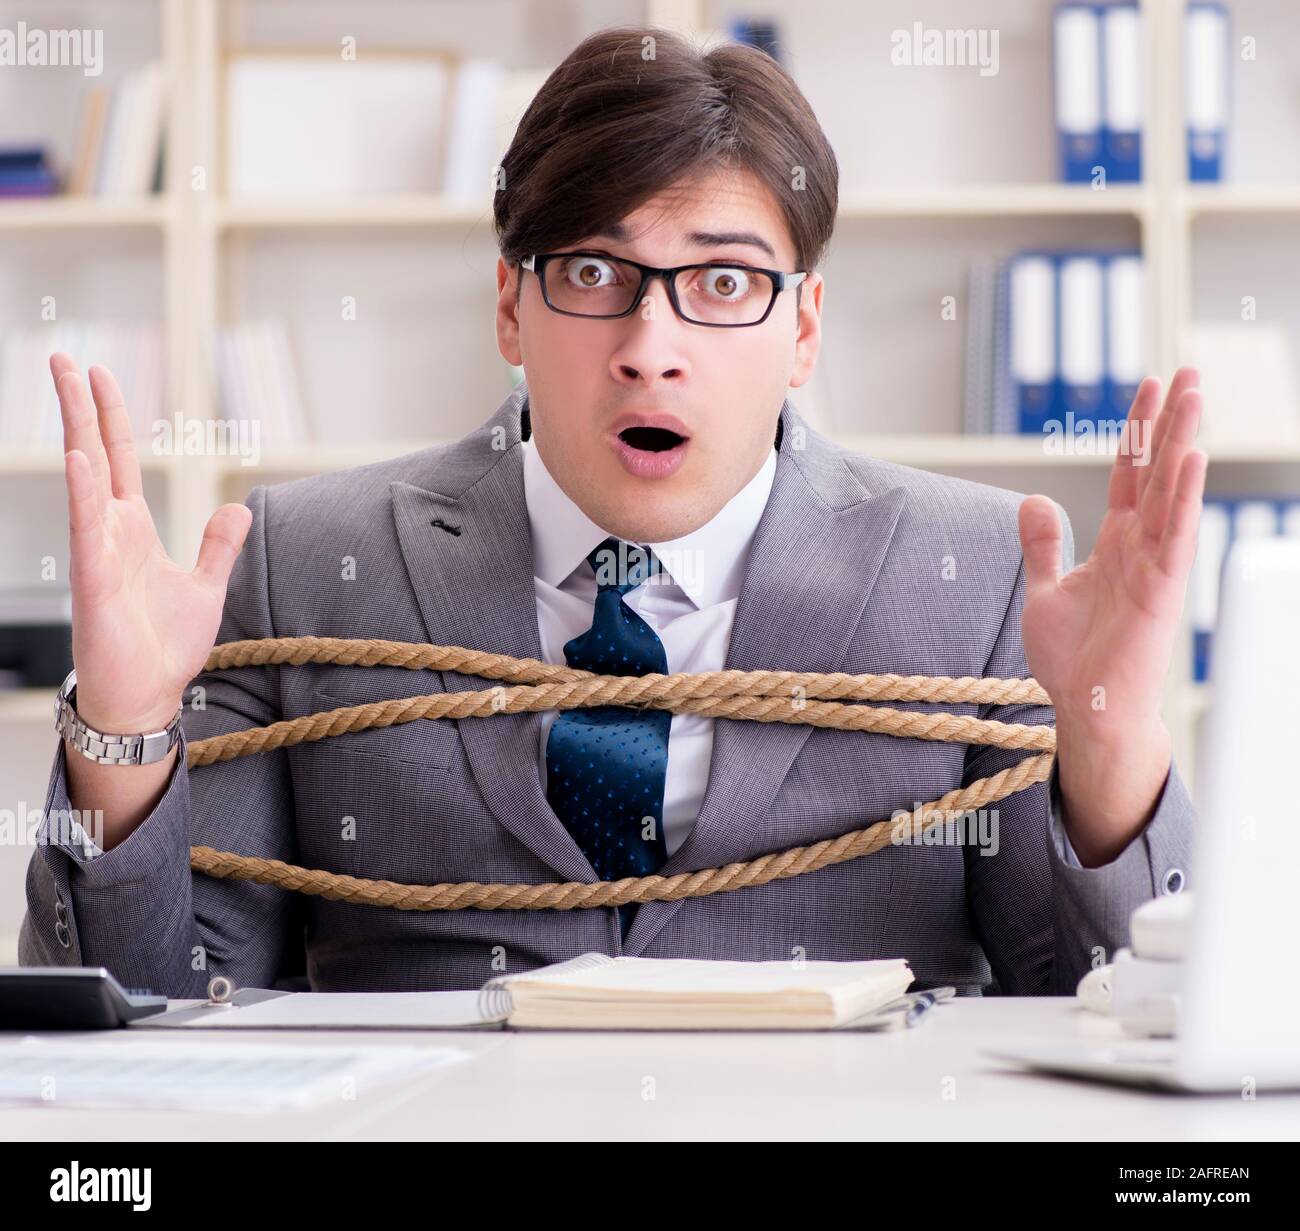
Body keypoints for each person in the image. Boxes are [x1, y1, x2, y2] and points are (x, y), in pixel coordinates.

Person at [20, 26, 1204, 996]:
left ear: (802, 329)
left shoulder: (976, 573)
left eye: (724, 281)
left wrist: (1108, 747)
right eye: (593, 273)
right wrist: (121, 730)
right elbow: (162, 1008)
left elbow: (1102, 1004)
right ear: (508, 307)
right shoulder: (299, 561)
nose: (652, 348)